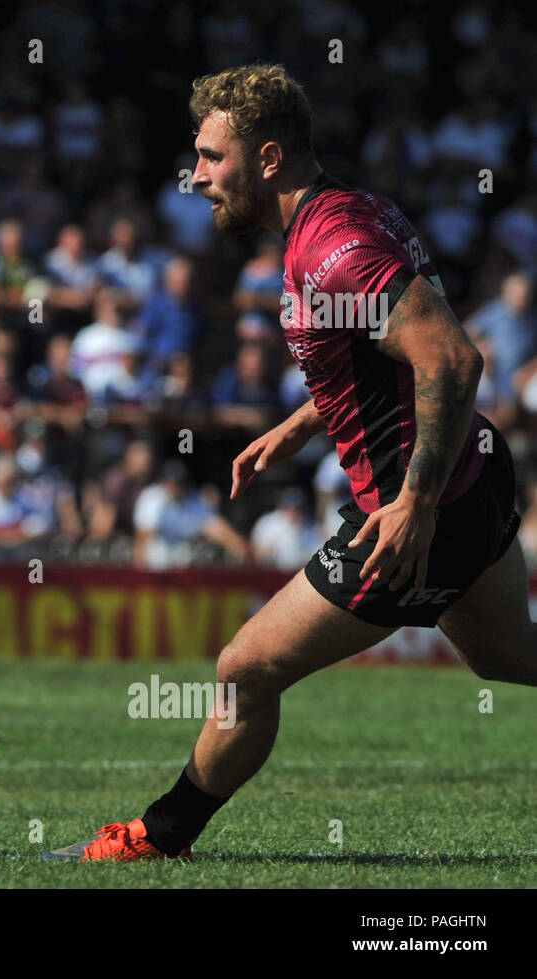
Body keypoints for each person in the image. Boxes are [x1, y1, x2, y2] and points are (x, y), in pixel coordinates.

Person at [45, 63, 527, 862]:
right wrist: (309, 420)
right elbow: (390, 353)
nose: (195, 177)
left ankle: (156, 838)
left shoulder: (335, 249)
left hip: (418, 508)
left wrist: (412, 504)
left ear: (268, 160)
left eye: (209, 157)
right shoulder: (348, 212)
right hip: (476, 472)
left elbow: (452, 358)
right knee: (507, 657)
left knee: (244, 667)